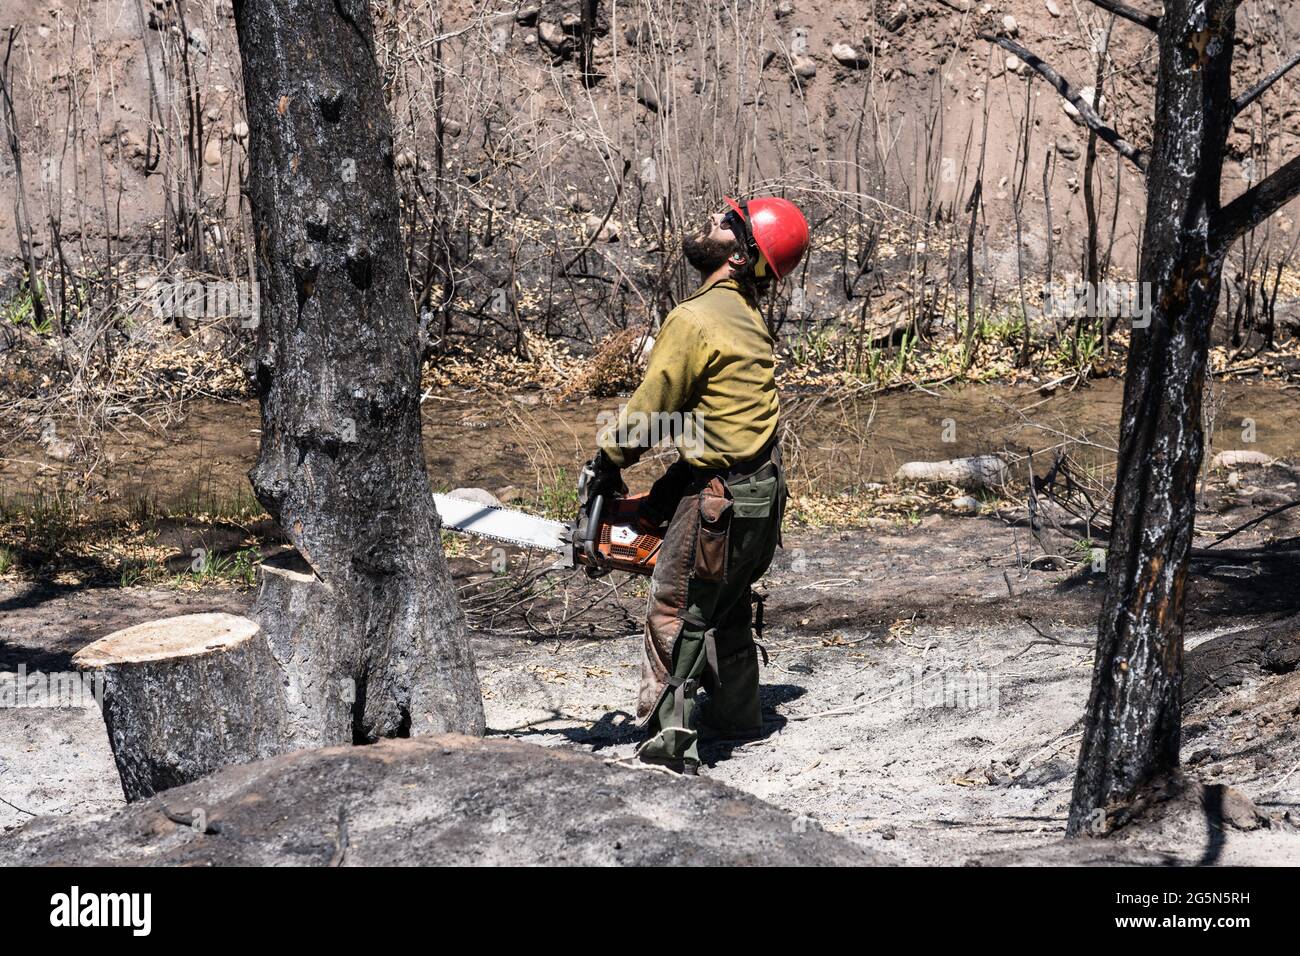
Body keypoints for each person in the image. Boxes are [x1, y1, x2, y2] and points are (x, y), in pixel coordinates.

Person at [582, 196, 811, 774]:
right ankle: (737, 715)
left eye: (723, 223)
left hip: (720, 501)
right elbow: (722, 424)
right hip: (760, 494)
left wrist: (606, 462)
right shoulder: (746, 317)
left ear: (740, 254)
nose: (709, 221)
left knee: (676, 609)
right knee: (725, 601)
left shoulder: (695, 318)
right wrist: (662, 496)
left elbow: (652, 408)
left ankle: (670, 745)